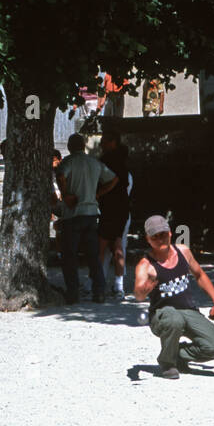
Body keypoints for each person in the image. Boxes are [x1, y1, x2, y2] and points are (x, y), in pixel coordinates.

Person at [134, 216, 214, 379]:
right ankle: (167, 363)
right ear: (148, 239)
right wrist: (147, 286)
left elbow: (199, 274)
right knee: (174, 319)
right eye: (154, 236)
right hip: (162, 315)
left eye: (162, 234)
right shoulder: (145, 265)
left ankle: (178, 355)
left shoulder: (183, 251)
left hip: (188, 310)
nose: (159, 239)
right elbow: (139, 295)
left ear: (170, 233)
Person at [55, 132, 118, 303]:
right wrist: (98, 193)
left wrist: (66, 194)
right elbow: (113, 179)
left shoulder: (67, 162)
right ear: (83, 146)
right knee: (93, 255)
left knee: (70, 256)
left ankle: (73, 292)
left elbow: (60, 175)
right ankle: (99, 291)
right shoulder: (94, 163)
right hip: (91, 214)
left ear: (69, 147)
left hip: (73, 214)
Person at [97, 128, 130, 301]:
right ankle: (118, 285)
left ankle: (99, 284)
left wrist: (98, 194)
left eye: (104, 140)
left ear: (112, 142)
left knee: (102, 246)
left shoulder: (109, 160)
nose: (101, 143)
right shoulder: (122, 160)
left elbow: (113, 181)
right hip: (121, 207)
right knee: (117, 246)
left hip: (110, 206)